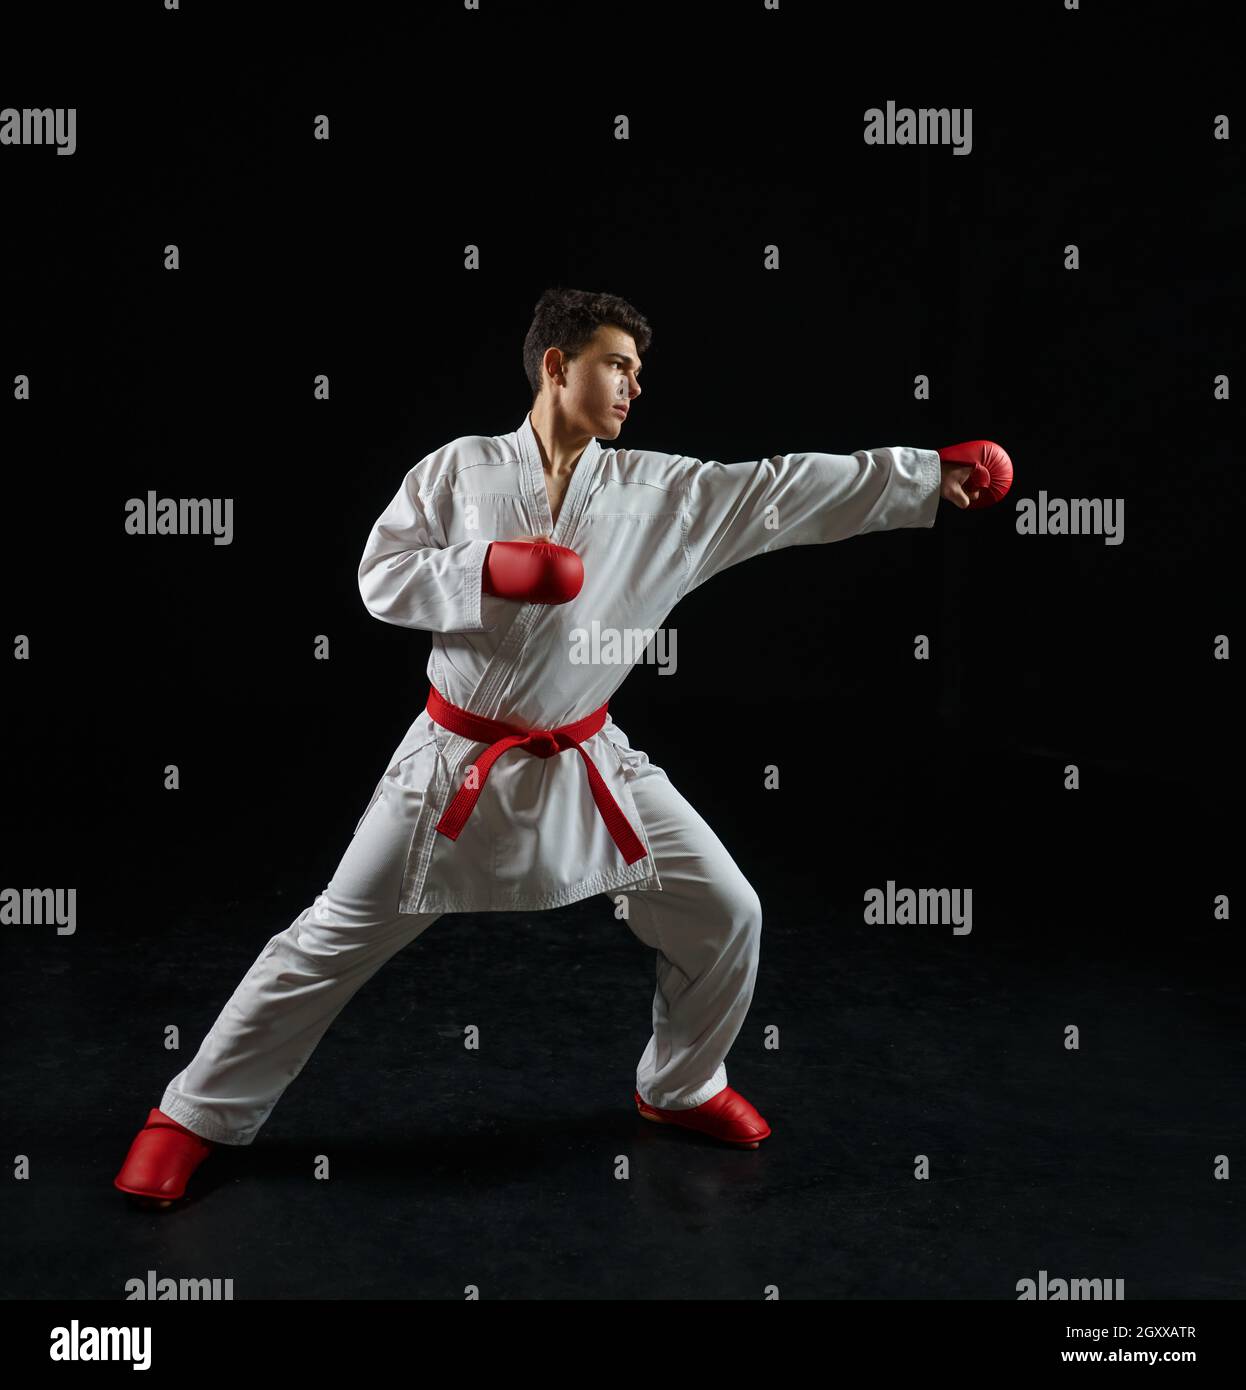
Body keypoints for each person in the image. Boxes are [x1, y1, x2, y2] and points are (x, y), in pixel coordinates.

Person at [114, 286, 1012, 1205]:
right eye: (617, 365)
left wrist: (921, 473)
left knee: (728, 911)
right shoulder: (460, 470)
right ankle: (191, 1115)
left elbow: (777, 487)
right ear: (556, 364)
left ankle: (681, 1083)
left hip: (590, 761)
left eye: (637, 373)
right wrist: (489, 571)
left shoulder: (660, 495)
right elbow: (379, 575)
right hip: (453, 763)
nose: (632, 387)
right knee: (324, 943)